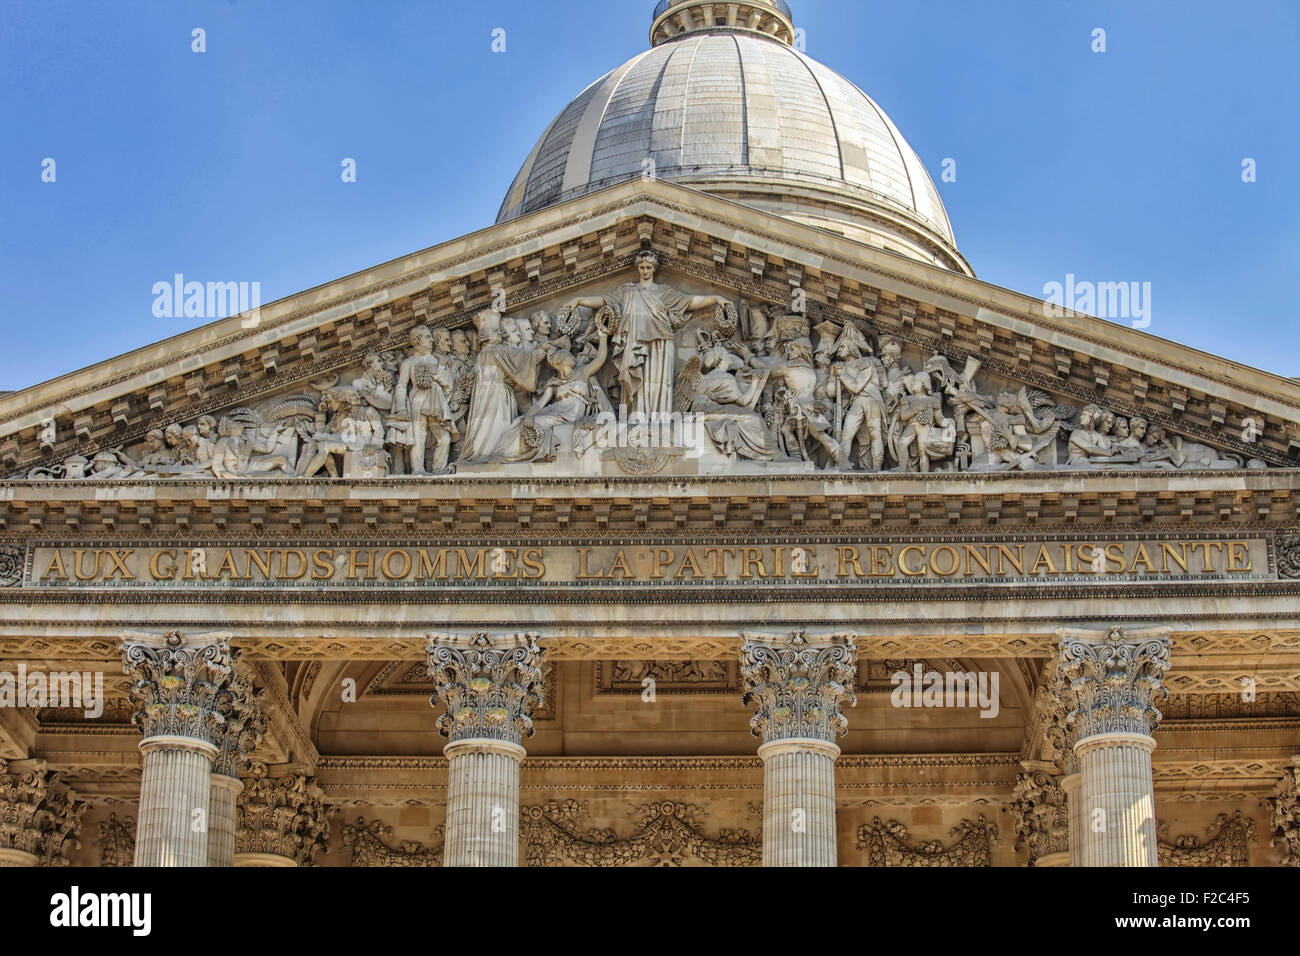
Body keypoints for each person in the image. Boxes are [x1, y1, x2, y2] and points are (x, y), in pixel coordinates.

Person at [562, 250, 733, 420]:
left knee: (658, 383)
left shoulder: (665, 292)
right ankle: (635, 419)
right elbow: (604, 300)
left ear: (654, 268)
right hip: (634, 342)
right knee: (636, 383)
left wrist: (715, 298)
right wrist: (578, 300)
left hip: (661, 342)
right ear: (638, 268)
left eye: (648, 267)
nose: (645, 271)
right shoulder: (627, 291)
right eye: (642, 267)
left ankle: (659, 421)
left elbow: (690, 301)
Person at [458, 309, 554, 463]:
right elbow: (528, 359)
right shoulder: (497, 350)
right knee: (498, 430)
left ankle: (485, 453)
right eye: (497, 332)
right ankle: (493, 455)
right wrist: (546, 347)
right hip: (498, 399)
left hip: (486, 401)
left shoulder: (484, 354)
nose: (500, 336)